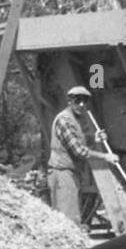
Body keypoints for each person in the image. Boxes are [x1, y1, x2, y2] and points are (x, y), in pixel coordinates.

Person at [47, 86, 117, 226]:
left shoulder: (76, 119)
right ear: (69, 101)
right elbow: (79, 151)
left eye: (84, 101)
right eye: (78, 101)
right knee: (69, 222)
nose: (81, 105)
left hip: (71, 173)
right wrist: (106, 156)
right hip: (62, 174)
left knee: (69, 220)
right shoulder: (64, 120)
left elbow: (77, 140)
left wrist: (93, 138)